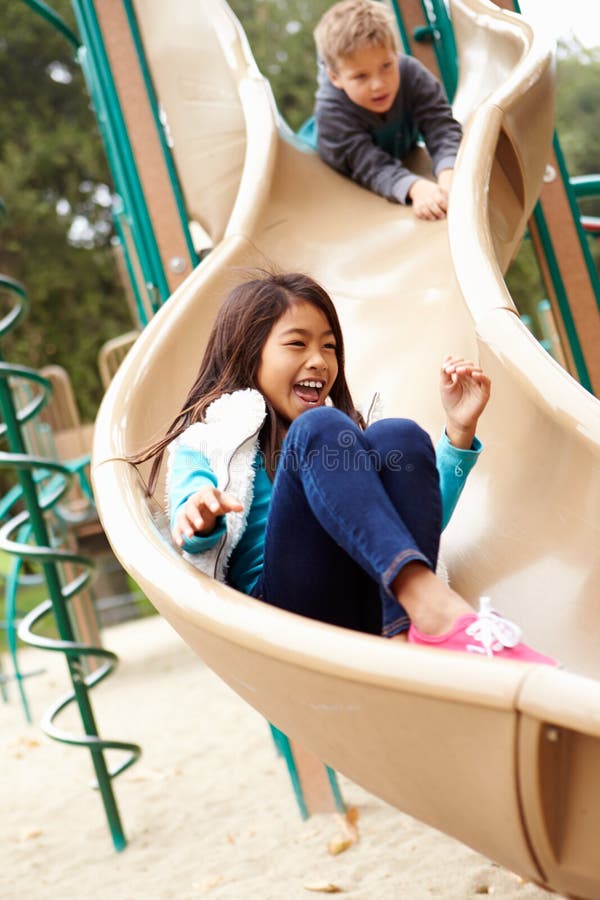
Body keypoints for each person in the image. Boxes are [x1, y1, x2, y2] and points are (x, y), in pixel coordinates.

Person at [134, 271, 555, 664]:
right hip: (285, 612)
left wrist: (459, 431)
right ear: (249, 355)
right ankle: (437, 615)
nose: (319, 360)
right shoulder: (211, 440)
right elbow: (192, 517)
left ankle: (409, 633)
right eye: (297, 344)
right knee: (323, 426)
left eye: (329, 346)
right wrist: (200, 517)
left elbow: (418, 525)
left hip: (371, 601)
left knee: (399, 435)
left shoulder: (348, 440)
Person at [310, 0, 463, 221]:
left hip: (395, 147)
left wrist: (449, 173)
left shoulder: (411, 75)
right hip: (345, 170)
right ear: (335, 77)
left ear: (395, 54)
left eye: (386, 66)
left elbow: (440, 125)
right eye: (360, 76)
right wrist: (416, 188)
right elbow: (369, 166)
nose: (378, 84)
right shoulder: (331, 114)